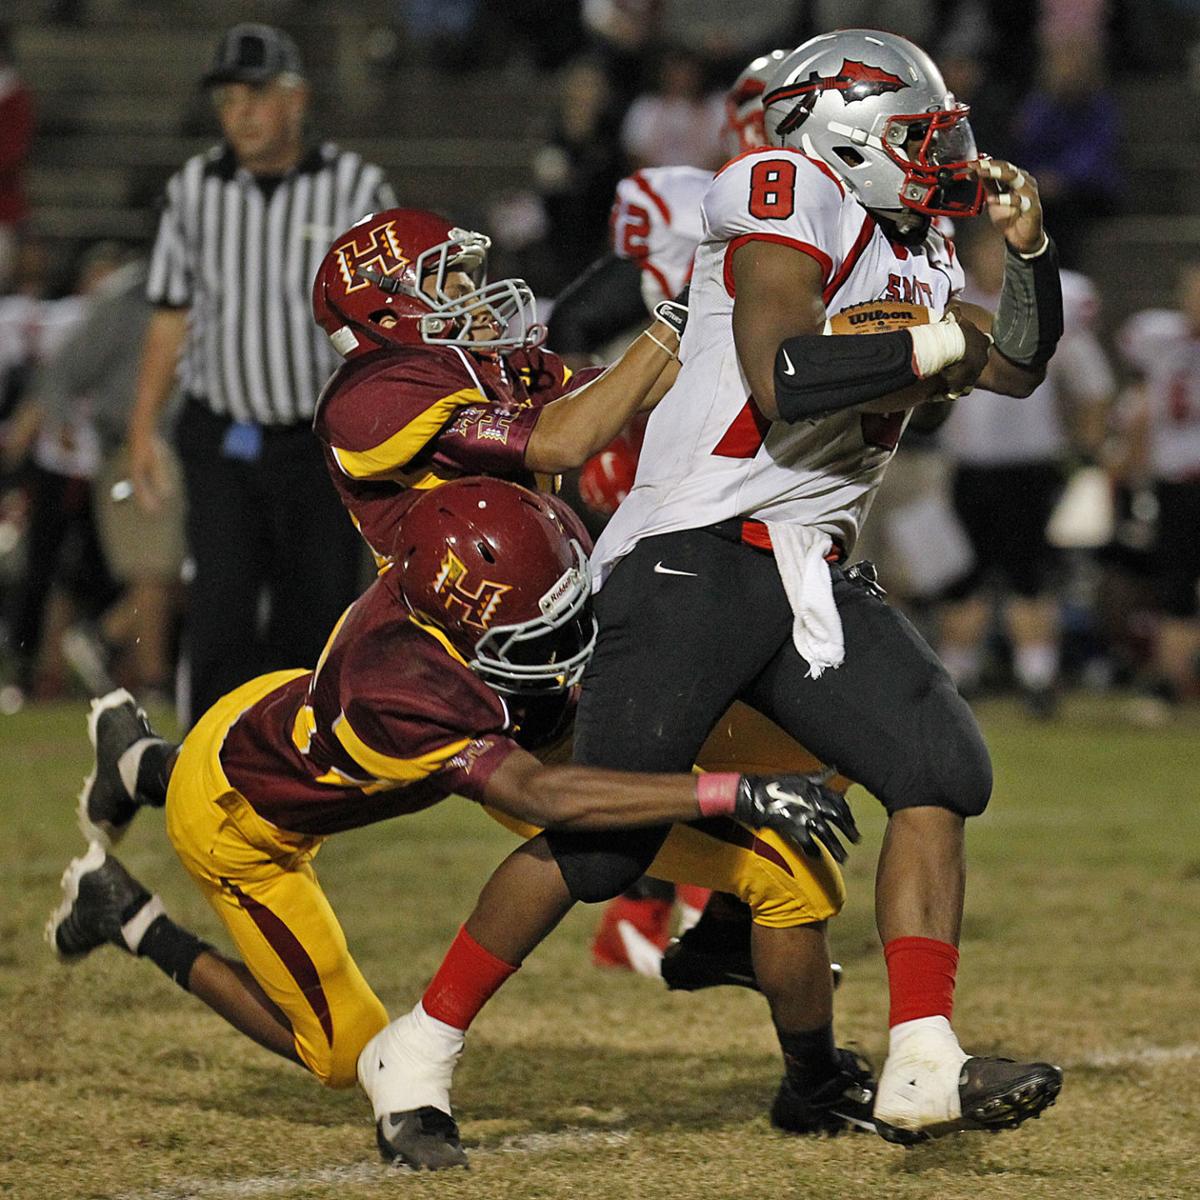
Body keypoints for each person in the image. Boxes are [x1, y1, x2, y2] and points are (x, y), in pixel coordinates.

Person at [387, 28, 1068, 1151]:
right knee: (601, 852)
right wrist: (937, 343)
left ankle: (921, 1060)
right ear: (842, 133)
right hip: (691, 554)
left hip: (808, 566)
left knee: (941, 768)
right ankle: (420, 1045)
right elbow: (785, 375)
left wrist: (1030, 253)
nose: (944, 152)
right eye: (917, 132)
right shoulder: (783, 182)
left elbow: (1017, 361)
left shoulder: (918, 248)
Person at [47, 476, 856, 1171]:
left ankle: (137, 761)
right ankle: (122, 912)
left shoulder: (446, 570)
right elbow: (541, 796)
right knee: (338, 1052)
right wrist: (726, 793)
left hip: (263, 717)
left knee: (271, 757)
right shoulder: (398, 693)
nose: (572, 644)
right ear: (463, 635)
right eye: (541, 634)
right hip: (242, 825)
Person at [125, 23, 397, 727]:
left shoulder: (355, 186)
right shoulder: (193, 188)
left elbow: (394, 316)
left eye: (254, 96)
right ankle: (208, 763)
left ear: (296, 98)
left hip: (319, 439)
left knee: (317, 605)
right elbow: (169, 313)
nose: (238, 113)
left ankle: (303, 763)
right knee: (220, 603)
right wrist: (141, 427)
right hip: (221, 431)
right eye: (227, 100)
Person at [938, 223, 1115, 715]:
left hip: (1030, 467)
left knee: (1028, 577)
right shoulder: (950, 305)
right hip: (968, 467)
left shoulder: (1039, 310)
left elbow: (1094, 387)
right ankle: (956, 677)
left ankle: (1037, 678)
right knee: (961, 577)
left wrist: (1086, 453)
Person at [1112, 260, 1200, 712]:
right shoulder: (1158, 338)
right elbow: (1142, 406)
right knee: (1177, 586)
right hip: (1177, 485)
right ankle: (1171, 684)